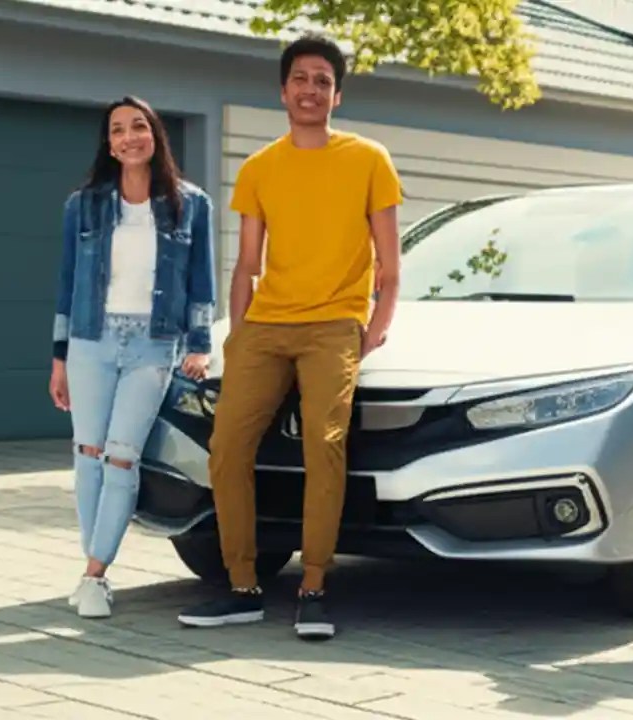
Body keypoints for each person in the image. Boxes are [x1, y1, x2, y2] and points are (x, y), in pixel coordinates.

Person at [176, 32, 403, 640]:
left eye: (323, 81)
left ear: (337, 95)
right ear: (283, 91)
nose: (311, 89)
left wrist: (375, 328)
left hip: (334, 326)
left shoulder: (369, 159)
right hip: (266, 327)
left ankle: (314, 587)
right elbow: (247, 262)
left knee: (323, 446)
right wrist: (239, 335)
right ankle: (243, 586)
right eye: (301, 79)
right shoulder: (259, 168)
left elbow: (389, 264)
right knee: (226, 448)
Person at [49, 95, 216, 619]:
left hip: (153, 343)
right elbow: (67, 283)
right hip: (90, 342)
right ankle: (93, 572)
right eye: (117, 130)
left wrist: (201, 344)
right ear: (109, 143)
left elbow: (200, 281)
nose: (129, 137)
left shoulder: (192, 204)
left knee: (122, 457)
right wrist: (59, 359)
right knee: (88, 458)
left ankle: (94, 574)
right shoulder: (85, 204)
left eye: (138, 126)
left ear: (155, 134)